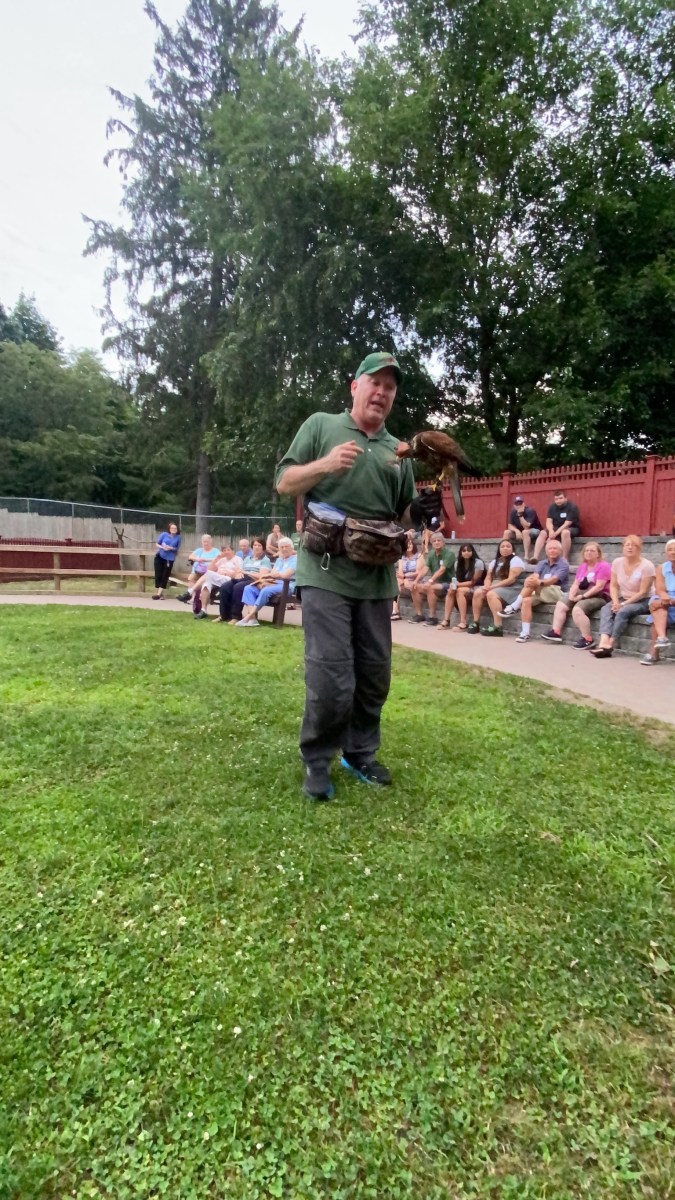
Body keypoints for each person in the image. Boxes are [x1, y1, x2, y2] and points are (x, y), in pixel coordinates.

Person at [275, 350, 418, 800]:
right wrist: (325, 465)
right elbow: (284, 482)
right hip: (325, 571)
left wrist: (421, 512)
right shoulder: (322, 425)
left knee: (375, 673)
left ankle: (360, 753)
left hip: (376, 578)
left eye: (390, 386)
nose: (381, 391)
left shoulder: (399, 451)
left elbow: (404, 517)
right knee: (331, 676)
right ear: (354, 386)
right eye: (374, 382)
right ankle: (317, 760)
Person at [591, 534, 656, 658]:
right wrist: (615, 602)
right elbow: (614, 586)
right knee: (606, 609)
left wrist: (622, 605)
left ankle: (611, 644)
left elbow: (643, 592)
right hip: (623, 597)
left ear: (640, 549)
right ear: (623, 547)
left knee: (623, 612)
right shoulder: (617, 562)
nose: (630, 548)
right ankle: (603, 641)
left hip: (644, 600)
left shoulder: (647, 566)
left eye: (634, 545)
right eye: (627, 545)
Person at [540, 541, 611, 647]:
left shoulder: (604, 566)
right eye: (587, 550)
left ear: (598, 554)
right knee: (561, 604)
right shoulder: (583, 566)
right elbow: (576, 583)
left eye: (592, 551)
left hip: (599, 595)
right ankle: (556, 632)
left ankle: (587, 639)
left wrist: (582, 597)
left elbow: (599, 587)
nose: (589, 553)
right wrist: (571, 595)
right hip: (581, 593)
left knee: (577, 610)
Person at [502, 540, 570, 643]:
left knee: (533, 584)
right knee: (526, 600)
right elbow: (535, 576)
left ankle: (514, 606)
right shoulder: (542, 563)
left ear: (560, 550)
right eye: (550, 548)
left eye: (555, 548)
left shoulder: (563, 564)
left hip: (557, 592)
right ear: (546, 551)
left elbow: (553, 580)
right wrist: (529, 580)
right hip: (540, 591)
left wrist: (538, 582)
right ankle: (525, 633)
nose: (552, 551)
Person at [469, 539, 525, 636]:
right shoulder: (495, 561)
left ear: (512, 549)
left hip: (512, 588)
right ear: (499, 549)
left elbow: (511, 579)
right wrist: (487, 585)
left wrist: (492, 587)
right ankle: (476, 622)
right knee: (478, 592)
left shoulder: (516, 560)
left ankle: (497, 627)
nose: (505, 548)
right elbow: (488, 576)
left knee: (491, 594)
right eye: (502, 546)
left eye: (508, 546)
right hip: (496, 587)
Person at [237, 538, 297, 626]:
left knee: (266, 590)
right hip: (273, 583)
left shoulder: (295, 560)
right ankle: (253, 619)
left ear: (291, 548)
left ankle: (248, 617)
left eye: (286, 547)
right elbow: (273, 573)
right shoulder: (279, 560)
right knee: (249, 588)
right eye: (282, 547)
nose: (284, 549)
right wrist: (266, 579)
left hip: (287, 585)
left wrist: (274, 576)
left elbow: (285, 575)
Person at [214, 538, 271, 623]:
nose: (257, 547)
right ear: (252, 547)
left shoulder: (265, 560)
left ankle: (236, 616)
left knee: (238, 587)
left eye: (259, 545)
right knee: (225, 587)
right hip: (243, 578)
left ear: (263, 547)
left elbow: (262, 576)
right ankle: (223, 615)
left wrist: (246, 572)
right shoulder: (248, 558)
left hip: (254, 580)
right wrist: (239, 574)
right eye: (255, 545)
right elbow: (240, 570)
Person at [408, 530, 456, 626]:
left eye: (439, 540)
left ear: (443, 542)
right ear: (432, 543)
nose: (436, 542)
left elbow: (441, 570)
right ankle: (419, 614)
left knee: (430, 587)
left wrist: (430, 581)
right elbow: (425, 569)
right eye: (434, 541)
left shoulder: (449, 553)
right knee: (414, 587)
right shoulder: (431, 554)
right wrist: (416, 581)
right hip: (435, 583)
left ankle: (433, 617)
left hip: (447, 583)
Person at [641, 539, 675, 665]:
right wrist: (664, 598)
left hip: (671, 603)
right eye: (670, 550)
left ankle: (654, 653)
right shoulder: (661, 568)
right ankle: (662, 638)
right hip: (667, 602)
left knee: (656, 606)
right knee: (656, 601)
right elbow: (660, 589)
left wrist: (666, 601)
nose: (673, 552)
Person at [438, 542, 485, 630]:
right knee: (450, 590)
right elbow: (457, 578)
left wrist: (457, 584)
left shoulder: (478, 563)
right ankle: (446, 620)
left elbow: (473, 582)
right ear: (461, 552)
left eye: (468, 550)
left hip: (477, 587)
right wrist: (453, 584)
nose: (466, 552)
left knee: (459, 591)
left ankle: (463, 622)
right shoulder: (458, 563)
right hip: (463, 586)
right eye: (464, 551)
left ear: (472, 552)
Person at [531, 489, 581, 564]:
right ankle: (535, 557)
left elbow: (567, 524)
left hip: (572, 528)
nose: (558, 501)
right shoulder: (552, 507)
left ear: (565, 498)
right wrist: (551, 531)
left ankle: (565, 558)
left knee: (565, 532)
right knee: (542, 533)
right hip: (555, 528)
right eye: (556, 499)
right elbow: (549, 521)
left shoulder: (572, 507)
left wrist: (553, 535)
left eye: (560, 498)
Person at [192, 546, 241, 619]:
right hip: (217, 579)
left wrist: (228, 572)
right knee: (206, 584)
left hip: (229, 580)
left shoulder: (237, 559)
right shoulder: (222, 560)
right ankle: (203, 610)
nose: (226, 552)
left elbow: (239, 573)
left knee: (208, 574)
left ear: (233, 551)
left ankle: (190, 591)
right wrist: (216, 558)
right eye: (224, 550)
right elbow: (210, 569)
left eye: (228, 550)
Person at [504, 495, 541, 562]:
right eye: (516, 504)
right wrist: (517, 531)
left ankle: (526, 556)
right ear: (514, 506)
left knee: (525, 532)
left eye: (520, 503)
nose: (519, 506)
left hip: (535, 530)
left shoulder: (530, 511)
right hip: (521, 532)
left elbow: (526, 527)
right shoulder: (513, 512)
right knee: (506, 532)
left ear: (524, 504)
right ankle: (504, 555)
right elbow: (510, 525)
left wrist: (520, 515)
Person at [392, 536, 420, 621]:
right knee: (396, 583)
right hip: (403, 580)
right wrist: (404, 579)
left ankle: (395, 611)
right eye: (407, 544)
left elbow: (418, 572)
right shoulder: (402, 558)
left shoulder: (418, 556)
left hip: (416, 580)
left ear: (413, 545)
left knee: (398, 582)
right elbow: (400, 572)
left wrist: (405, 577)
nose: (409, 546)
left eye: (410, 544)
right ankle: (395, 610)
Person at [152, 521, 181, 599]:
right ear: (169, 529)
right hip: (160, 556)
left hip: (169, 559)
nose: (174, 529)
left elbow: (177, 549)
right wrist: (162, 547)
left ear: (177, 529)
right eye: (172, 528)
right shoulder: (164, 534)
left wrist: (170, 548)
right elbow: (157, 543)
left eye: (175, 528)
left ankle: (158, 594)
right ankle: (160, 594)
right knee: (158, 574)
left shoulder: (178, 537)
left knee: (165, 576)